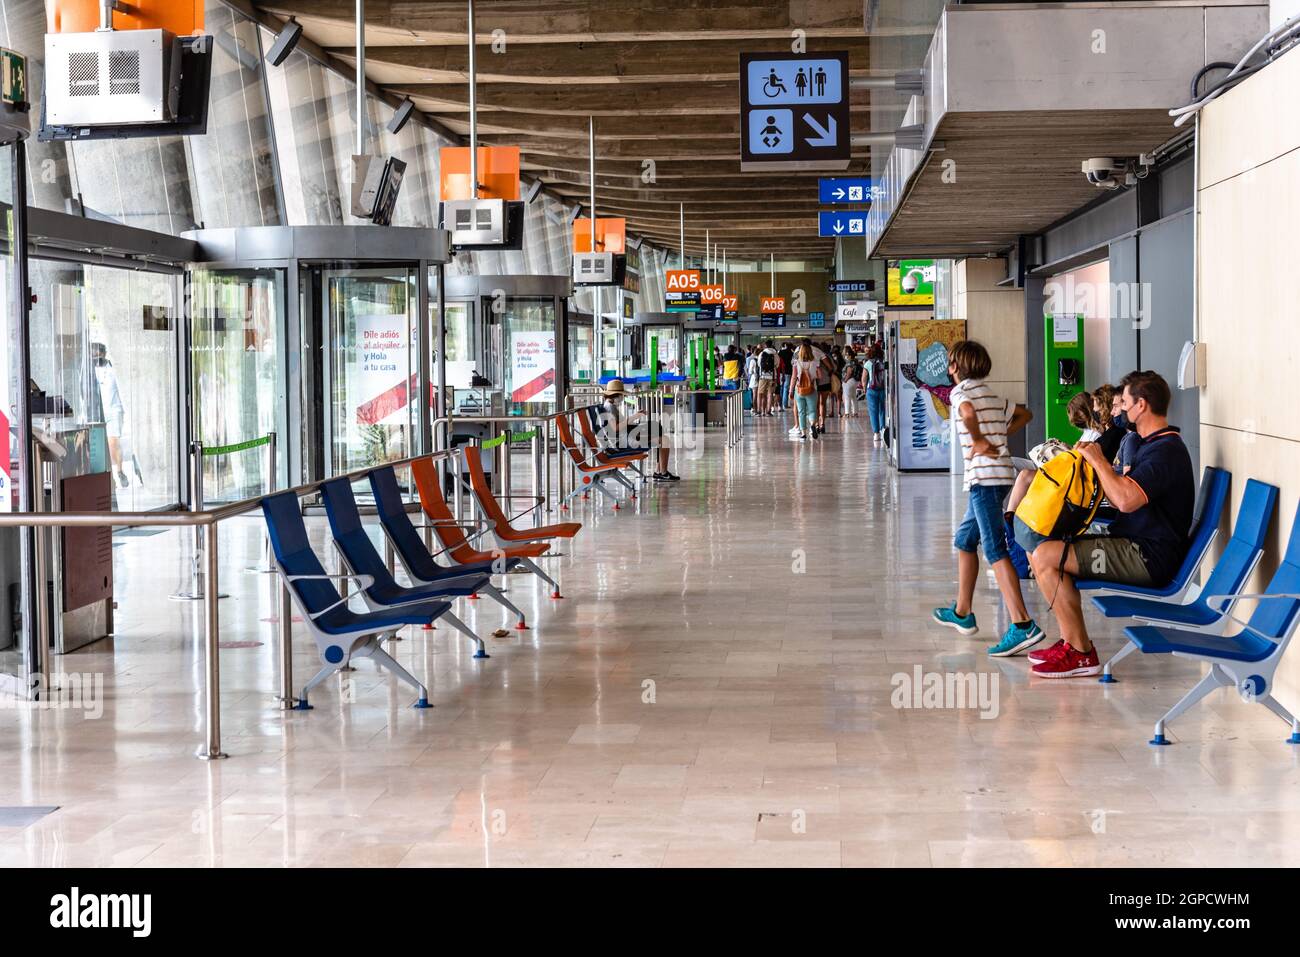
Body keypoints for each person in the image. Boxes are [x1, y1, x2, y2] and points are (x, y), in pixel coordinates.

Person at [1019, 370, 1195, 678]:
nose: (1120, 409)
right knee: (1040, 549)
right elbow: (1118, 499)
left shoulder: (1165, 451)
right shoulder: (1147, 444)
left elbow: (1125, 500)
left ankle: (1081, 653)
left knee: (1046, 556)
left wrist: (1099, 462)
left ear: (1142, 405)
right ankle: (1073, 644)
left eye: (1125, 402)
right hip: (1131, 543)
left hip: (1147, 556)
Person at [931, 340, 1043, 657]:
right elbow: (1025, 414)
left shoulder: (961, 393)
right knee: (966, 540)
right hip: (999, 476)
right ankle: (963, 611)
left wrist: (980, 439)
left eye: (951, 363)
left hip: (985, 479)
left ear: (955, 366)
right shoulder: (989, 393)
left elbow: (966, 412)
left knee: (994, 548)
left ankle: (1023, 624)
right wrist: (999, 435)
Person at [598, 379, 678, 481]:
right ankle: (661, 472)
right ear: (616, 395)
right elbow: (615, 428)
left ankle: (661, 471)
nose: (623, 397)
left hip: (625, 435)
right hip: (624, 441)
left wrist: (635, 417)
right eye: (621, 395)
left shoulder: (610, 405)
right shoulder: (610, 408)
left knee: (656, 428)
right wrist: (635, 416)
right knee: (662, 437)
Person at [92, 342, 130, 489]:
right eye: (94, 356)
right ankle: (110, 475)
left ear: (104, 354)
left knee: (113, 443)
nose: (97, 359)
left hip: (114, 409)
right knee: (103, 445)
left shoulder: (113, 368)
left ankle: (119, 471)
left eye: (99, 356)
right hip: (98, 411)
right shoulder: (90, 370)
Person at [788, 342, 820, 440]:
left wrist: (791, 390)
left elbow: (793, 377)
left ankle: (803, 433)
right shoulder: (815, 362)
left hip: (799, 389)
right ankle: (812, 425)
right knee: (812, 410)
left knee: (801, 411)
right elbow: (820, 376)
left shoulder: (796, 362)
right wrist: (813, 377)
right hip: (812, 389)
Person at [862, 341, 887, 444]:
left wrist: (864, 389)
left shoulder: (868, 363)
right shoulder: (884, 361)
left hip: (871, 390)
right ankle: (882, 430)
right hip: (883, 389)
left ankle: (876, 434)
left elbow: (864, 379)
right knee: (882, 410)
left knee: (873, 412)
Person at [757, 339, 779, 415]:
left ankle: (760, 411)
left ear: (765, 345)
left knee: (760, 394)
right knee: (770, 394)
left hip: (762, 376)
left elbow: (759, 365)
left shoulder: (762, 353)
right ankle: (768, 411)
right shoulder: (775, 354)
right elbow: (777, 365)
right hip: (772, 376)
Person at [841, 348, 860, 418]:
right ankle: (855, 413)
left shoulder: (849, 362)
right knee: (853, 397)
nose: (845, 356)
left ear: (849, 355)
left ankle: (847, 413)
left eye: (846, 355)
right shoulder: (855, 361)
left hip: (849, 381)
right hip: (855, 381)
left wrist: (845, 380)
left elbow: (849, 372)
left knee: (847, 397)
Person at [777, 341, 795, 411]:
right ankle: (785, 404)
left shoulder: (780, 352)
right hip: (788, 372)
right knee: (786, 388)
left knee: (781, 387)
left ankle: (780, 404)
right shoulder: (792, 354)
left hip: (781, 372)